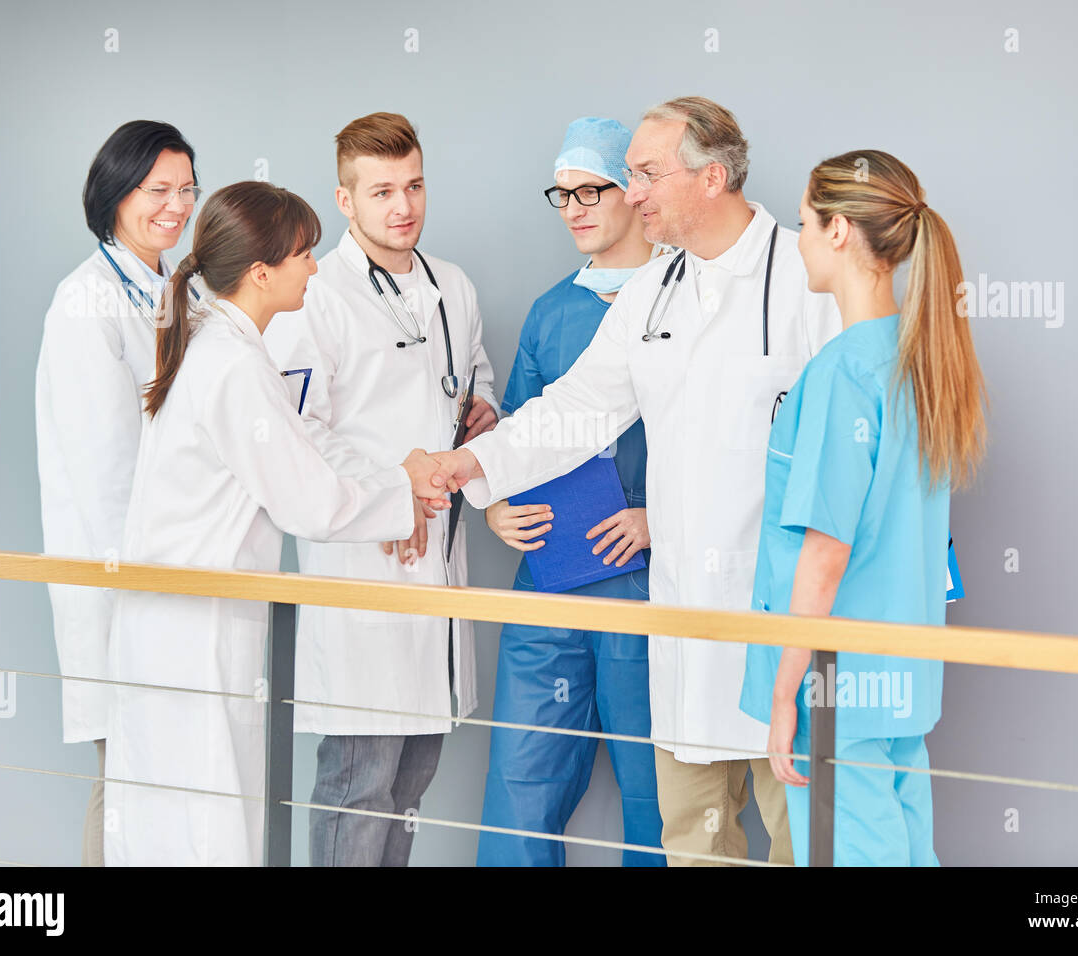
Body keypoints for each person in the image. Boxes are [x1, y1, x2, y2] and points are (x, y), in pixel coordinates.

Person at [428, 97, 842, 865]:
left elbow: (856, 453)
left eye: (646, 175)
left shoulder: (805, 278)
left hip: (783, 621)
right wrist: (470, 467)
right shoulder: (653, 291)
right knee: (692, 843)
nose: (634, 192)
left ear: (711, 176)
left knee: (807, 842)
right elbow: (578, 410)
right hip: (684, 619)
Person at [102, 180, 452, 866]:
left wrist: (393, 485)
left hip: (175, 627)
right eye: (304, 254)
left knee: (174, 825)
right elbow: (309, 503)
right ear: (262, 272)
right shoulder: (232, 366)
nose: (315, 268)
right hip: (193, 634)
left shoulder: (211, 347)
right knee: (204, 831)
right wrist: (404, 485)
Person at [262, 112, 498, 867]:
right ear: (345, 200)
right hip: (364, 561)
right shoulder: (316, 294)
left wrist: (482, 410)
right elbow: (302, 432)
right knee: (360, 780)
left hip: (436, 568)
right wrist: (391, 494)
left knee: (411, 782)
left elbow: (471, 383)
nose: (404, 206)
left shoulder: (452, 286)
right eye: (383, 190)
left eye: (415, 185)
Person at [739, 149, 987, 865]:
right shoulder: (921, 359)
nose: (800, 242)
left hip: (836, 689)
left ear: (841, 231)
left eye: (805, 224)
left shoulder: (845, 372)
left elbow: (825, 551)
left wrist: (786, 694)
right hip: (901, 678)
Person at [475, 117, 663, 867]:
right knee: (522, 782)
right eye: (564, 193)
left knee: (661, 792)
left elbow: (729, 451)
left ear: (635, 189)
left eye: (595, 188)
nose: (577, 206)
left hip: (648, 584)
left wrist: (664, 520)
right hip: (550, 584)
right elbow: (520, 433)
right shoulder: (553, 312)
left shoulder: (684, 300)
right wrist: (492, 503)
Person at [35, 120, 201, 866]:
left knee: (160, 783)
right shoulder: (85, 303)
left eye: (186, 190)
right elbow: (107, 474)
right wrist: (154, 582)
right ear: (114, 195)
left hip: (174, 574)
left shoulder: (171, 290)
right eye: (157, 190)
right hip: (124, 580)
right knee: (127, 781)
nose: (176, 206)